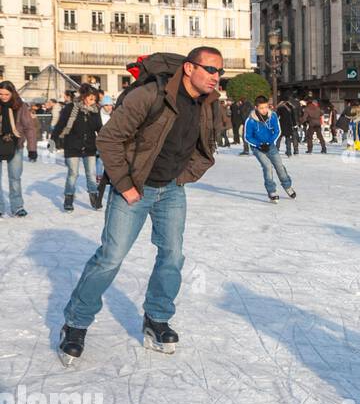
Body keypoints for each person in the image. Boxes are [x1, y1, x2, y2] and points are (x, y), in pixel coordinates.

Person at [59, 47, 225, 364]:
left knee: (172, 255)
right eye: (211, 70)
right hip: (133, 188)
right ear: (190, 69)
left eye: (220, 72)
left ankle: (156, 318)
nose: (217, 77)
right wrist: (125, 185)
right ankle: (76, 323)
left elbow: (206, 145)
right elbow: (108, 139)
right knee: (110, 257)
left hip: (171, 190)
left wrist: (184, 176)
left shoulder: (208, 103)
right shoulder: (150, 95)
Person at [55, 84, 103, 212]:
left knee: (91, 174)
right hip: (72, 145)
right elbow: (60, 124)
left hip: (89, 146)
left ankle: (95, 198)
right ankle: (69, 199)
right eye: (91, 98)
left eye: (95, 99)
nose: (93, 102)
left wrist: (106, 140)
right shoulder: (71, 108)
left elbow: (99, 128)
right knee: (73, 173)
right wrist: (53, 139)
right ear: (84, 96)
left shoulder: (95, 111)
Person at [243, 96, 297, 202]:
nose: (264, 110)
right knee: (268, 167)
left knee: (279, 166)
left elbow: (277, 131)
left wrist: (269, 142)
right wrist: (258, 144)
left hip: (270, 146)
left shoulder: (273, 116)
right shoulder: (251, 120)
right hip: (257, 148)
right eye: (261, 108)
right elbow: (247, 136)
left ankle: (287, 186)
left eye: (266, 107)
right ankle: (271, 191)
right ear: (256, 107)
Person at [0, 80, 37, 217]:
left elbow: (29, 127)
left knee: (15, 177)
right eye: (0, 94)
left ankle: (17, 206)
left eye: (6, 94)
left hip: (15, 145)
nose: (3, 97)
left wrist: (32, 149)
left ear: (12, 93)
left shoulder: (20, 106)